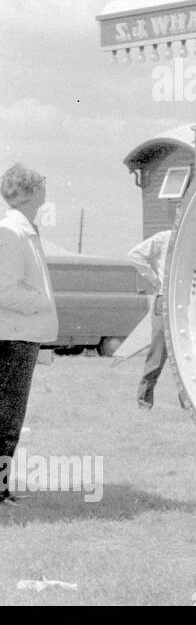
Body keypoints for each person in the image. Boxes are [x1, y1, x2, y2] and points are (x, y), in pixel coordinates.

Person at [0, 165, 58, 506]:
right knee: (7, 420)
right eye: (41, 183)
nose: (44, 189)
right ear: (30, 192)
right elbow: (3, 290)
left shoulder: (20, 230)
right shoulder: (12, 232)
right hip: (13, 337)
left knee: (9, 420)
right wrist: (41, 302)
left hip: (17, 335)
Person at [127, 227, 174, 410]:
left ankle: (189, 405)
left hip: (185, 299)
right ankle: (144, 401)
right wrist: (155, 279)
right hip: (165, 298)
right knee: (158, 351)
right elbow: (135, 254)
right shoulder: (164, 238)